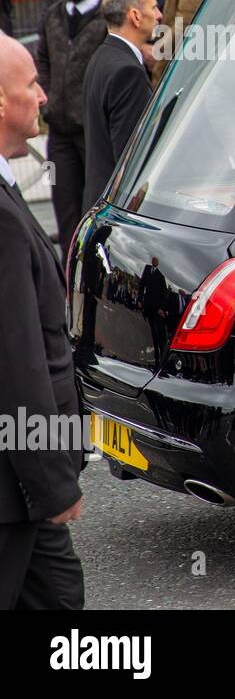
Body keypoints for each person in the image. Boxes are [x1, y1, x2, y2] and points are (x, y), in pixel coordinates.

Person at [0, 32, 86, 609]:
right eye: (31, 83)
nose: (44, 94)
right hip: (14, 492)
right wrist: (51, 483)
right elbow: (17, 360)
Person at [35, 0, 108, 260]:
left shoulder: (107, 15)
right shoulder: (53, 13)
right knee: (62, 201)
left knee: (94, 202)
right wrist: (48, 100)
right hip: (59, 132)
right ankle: (67, 277)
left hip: (92, 130)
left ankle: (93, 266)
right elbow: (43, 57)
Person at [82, 0, 159, 212]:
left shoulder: (101, 57)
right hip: (118, 209)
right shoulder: (128, 72)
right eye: (154, 8)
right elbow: (131, 157)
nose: (159, 15)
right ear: (135, 16)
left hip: (98, 199)